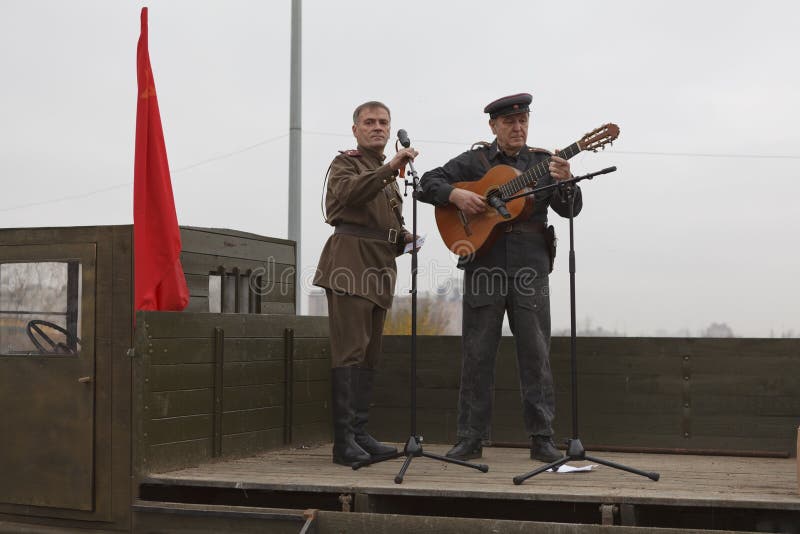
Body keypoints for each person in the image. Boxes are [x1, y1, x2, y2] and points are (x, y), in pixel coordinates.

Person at [417, 93, 580, 463]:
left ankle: (542, 439)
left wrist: (567, 182)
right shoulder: (474, 161)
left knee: (536, 353)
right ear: (493, 126)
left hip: (530, 266)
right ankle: (470, 439)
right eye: (509, 122)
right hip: (484, 264)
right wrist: (456, 195)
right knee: (477, 354)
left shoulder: (544, 162)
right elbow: (427, 183)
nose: (517, 127)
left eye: (523, 120)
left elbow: (570, 210)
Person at [313, 101, 418, 466]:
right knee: (350, 352)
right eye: (369, 122)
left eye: (383, 122)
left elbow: (379, 220)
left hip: (379, 265)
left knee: (370, 354)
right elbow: (348, 196)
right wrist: (390, 168)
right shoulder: (347, 163)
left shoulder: (385, 173)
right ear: (355, 129)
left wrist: (403, 237)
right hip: (349, 262)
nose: (378, 127)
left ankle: (358, 433)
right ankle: (344, 444)